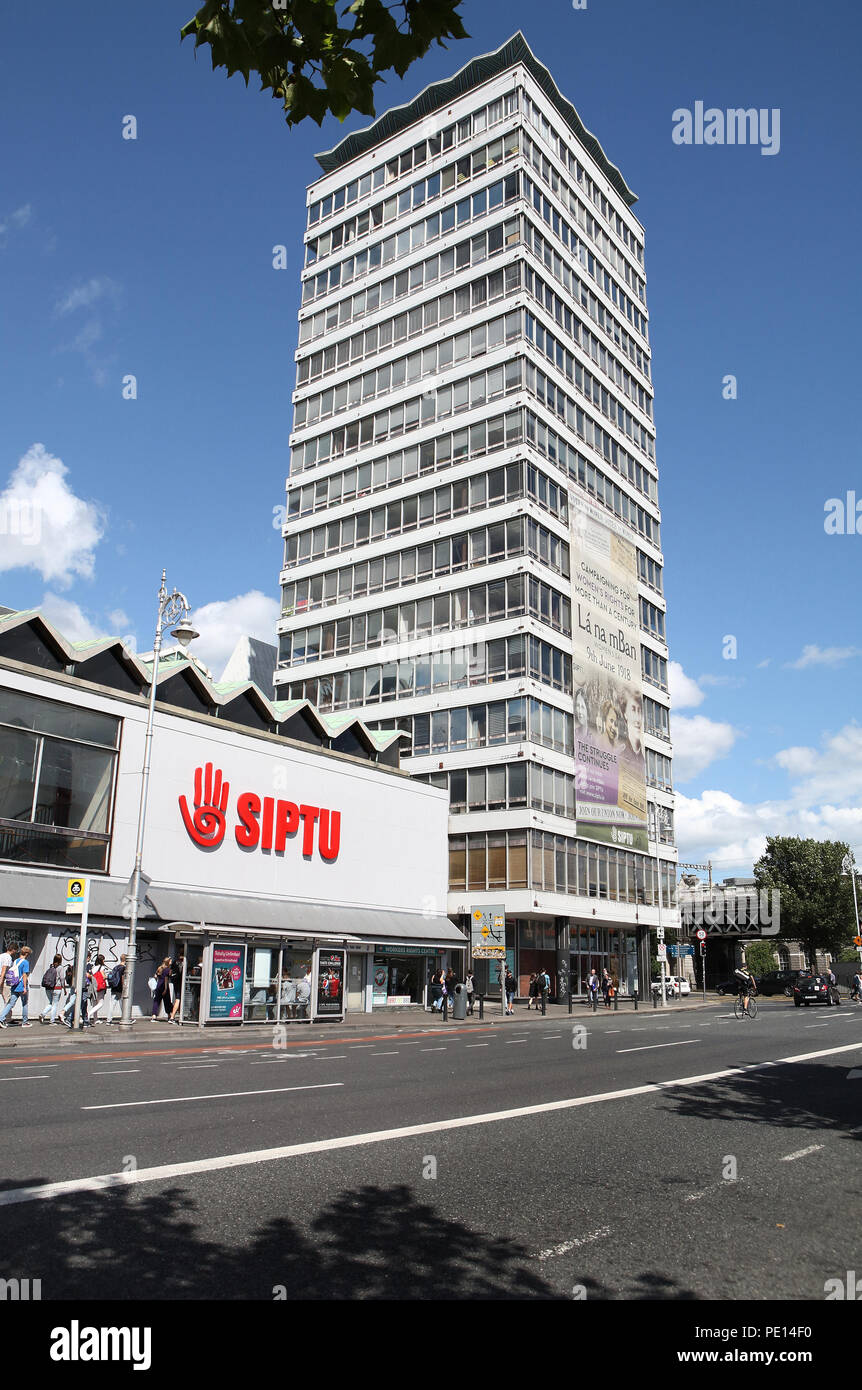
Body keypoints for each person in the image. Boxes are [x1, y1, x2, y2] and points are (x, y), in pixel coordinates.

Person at [0, 946, 32, 1027]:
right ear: (27, 953)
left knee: (10, 1004)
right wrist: (25, 987)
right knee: (24, 1004)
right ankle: (25, 1022)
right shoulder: (25, 962)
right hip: (21, 985)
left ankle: (1, 1018)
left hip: (14, 985)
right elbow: (24, 975)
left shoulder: (15, 961)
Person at [39, 954, 65, 1024]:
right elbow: (62, 978)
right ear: (60, 960)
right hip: (57, 988)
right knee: (55, 1004)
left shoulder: (51, 966)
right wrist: (64, 988)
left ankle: (43, 1014)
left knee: (51, 1003)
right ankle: (52, 1021)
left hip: (48, 987)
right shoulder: (60, 968)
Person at [105, 954, 126, 1023]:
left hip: (114, 986)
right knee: (123, 1003)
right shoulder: (123, 968)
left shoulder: (116, 967)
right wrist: (124, 987)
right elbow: (122, 978)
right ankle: (125, 1017)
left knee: (113, 1003)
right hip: (119, 987)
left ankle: (109, 1019)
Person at [89, 955, 108, 1022]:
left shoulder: (93, 968)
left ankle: (95, 1019)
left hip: (93, 986)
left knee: (94, 1003)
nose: (104, 961)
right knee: (100, 1003)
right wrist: (106, 976)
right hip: (100, 987)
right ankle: (89, 1014)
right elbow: (103, 977)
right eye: (103, 959)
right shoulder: (102, 967)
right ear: (101, 960)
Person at [0, 940, 19, 1009]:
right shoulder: (8, 957)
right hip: (4, 980)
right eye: (16, 950)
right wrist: (1, 981)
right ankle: (5, 1017)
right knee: (7, 1000)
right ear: (13, 950)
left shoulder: (1, 955)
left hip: (2, 978)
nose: (16, 952)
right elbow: (4, 969)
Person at [169, 954, 185, 1024]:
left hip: (175, 982)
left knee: (178, 999)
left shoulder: (175, 962)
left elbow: (170, 972)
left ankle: (174, 1016)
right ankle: (172, 1017)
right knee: (178, 999)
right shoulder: (184, 962)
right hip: (180, 982)